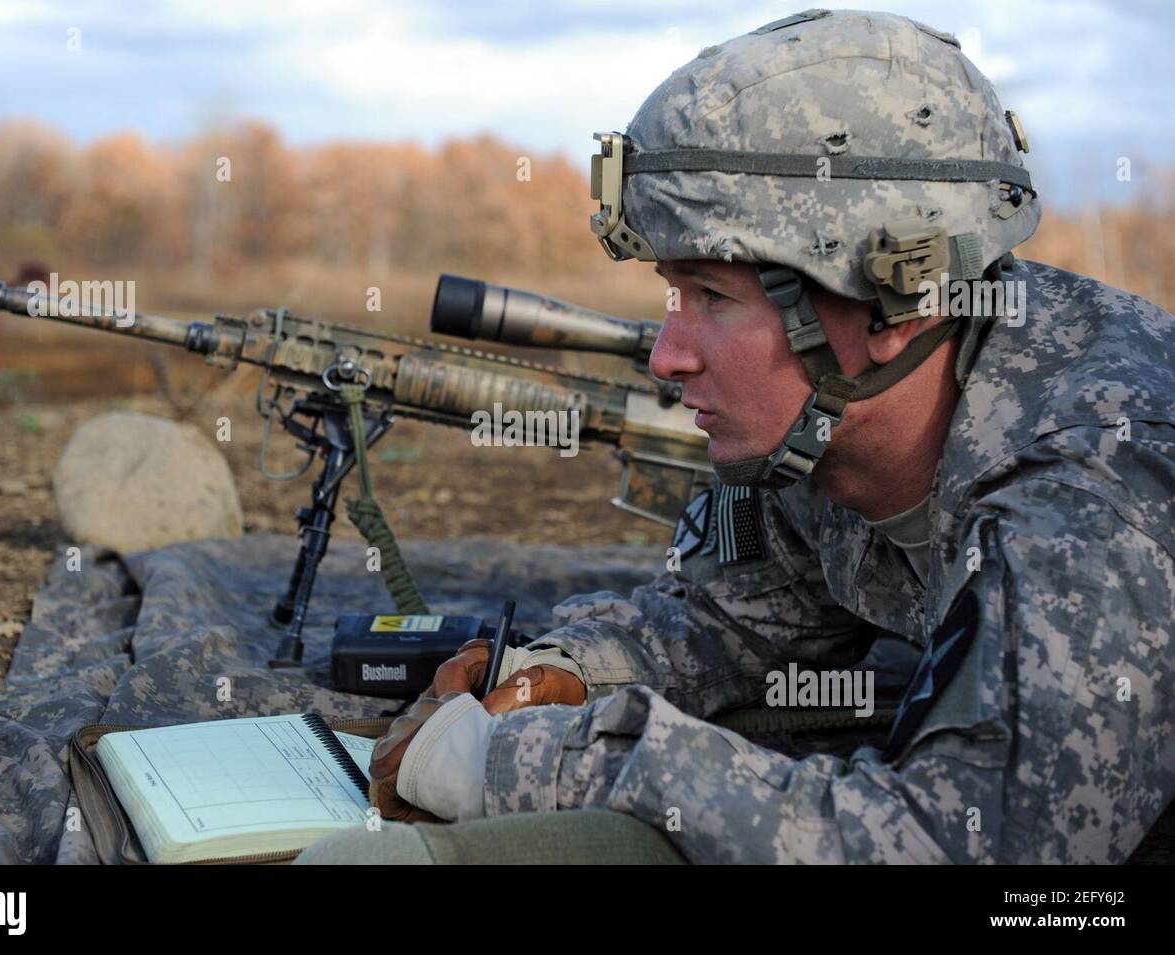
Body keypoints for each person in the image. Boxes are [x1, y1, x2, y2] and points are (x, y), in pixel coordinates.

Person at [297, 8, 1174, 864]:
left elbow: (974, 844)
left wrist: (534, 762)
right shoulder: (818, 432)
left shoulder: (1095, 489)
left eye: (712, 298)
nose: (667, 356)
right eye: (673, 295)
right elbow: (721, 620)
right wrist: (563, 674)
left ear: (897, 303)